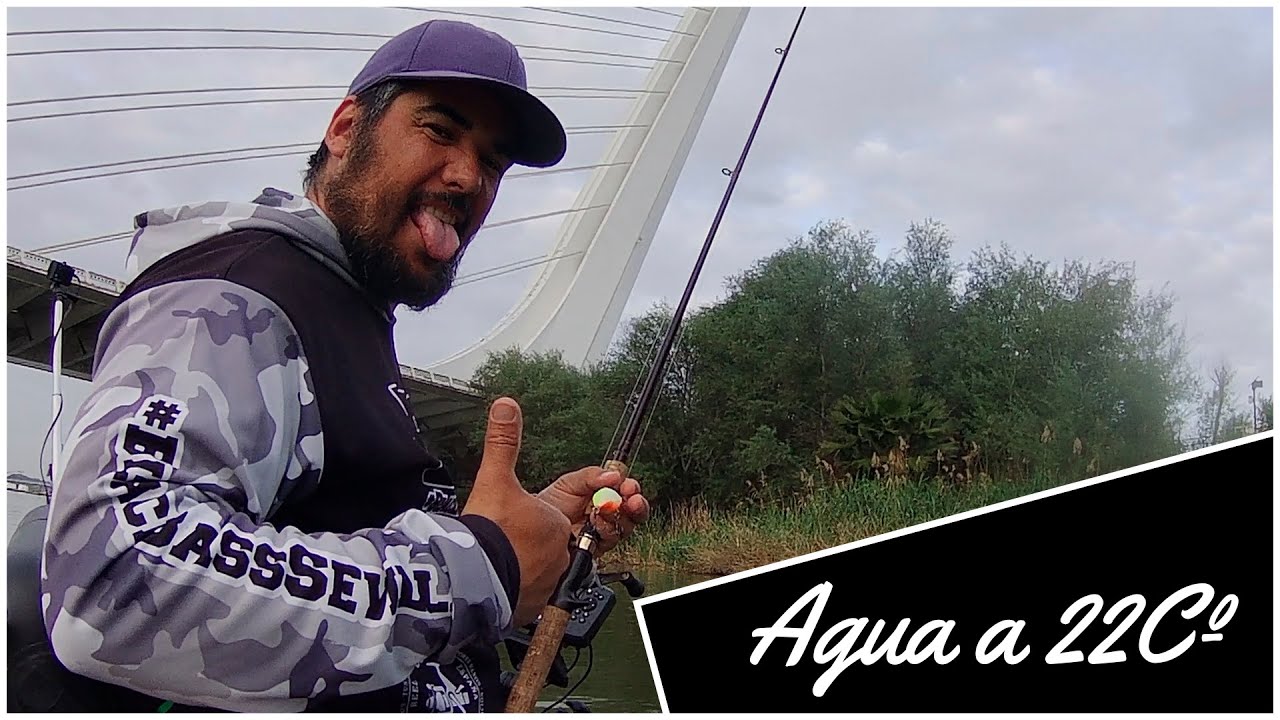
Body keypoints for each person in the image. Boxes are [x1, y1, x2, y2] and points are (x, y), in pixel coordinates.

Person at [39, 19, 650, 713]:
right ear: (345, 127)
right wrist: (480, 564)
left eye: (493, 160)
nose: (467, 177)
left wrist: (520, 537)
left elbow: (333, 551)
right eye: (440, 130)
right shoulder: (232, 297)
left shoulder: (346, 309)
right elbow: (116, 579)